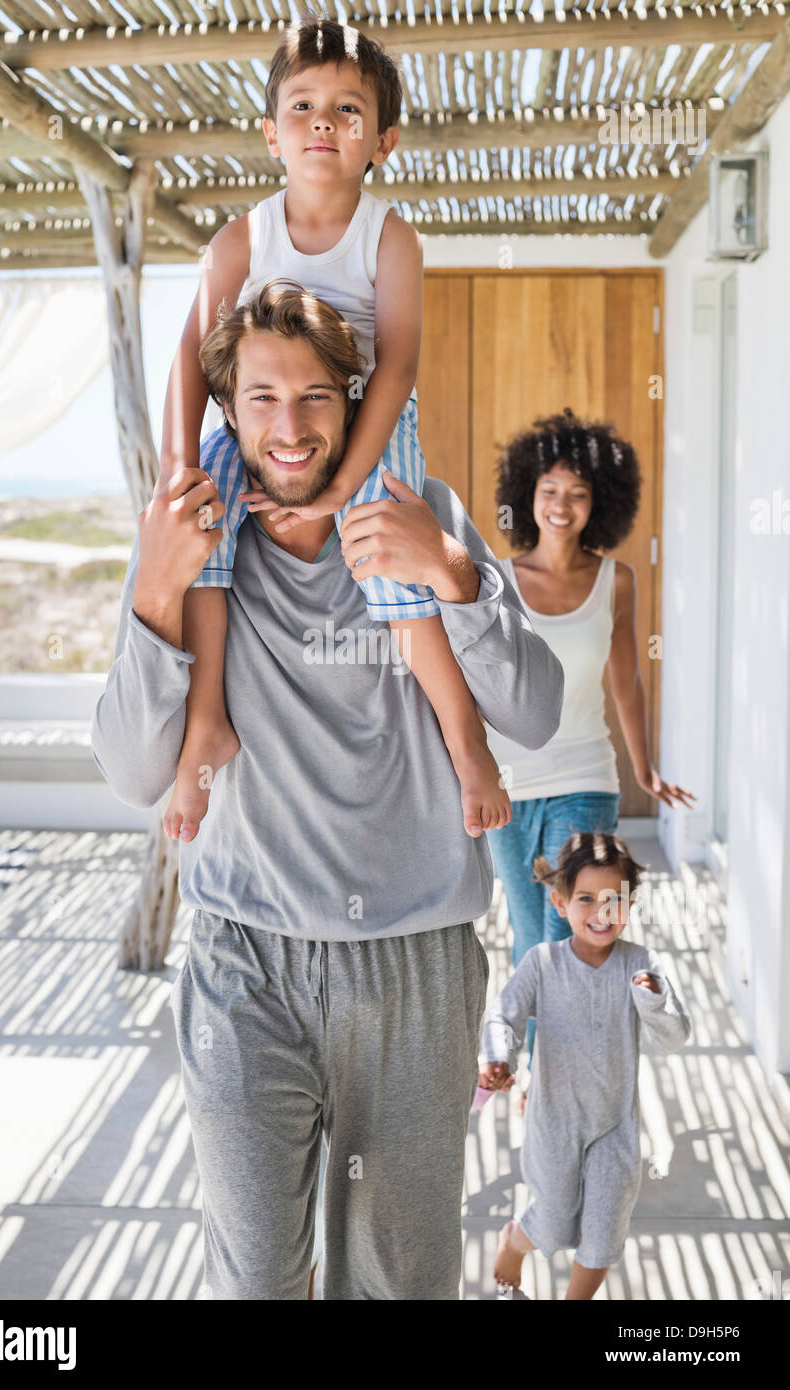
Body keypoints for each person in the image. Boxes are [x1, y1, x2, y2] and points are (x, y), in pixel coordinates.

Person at [90, 282, 564, 1300]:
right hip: (242, 963)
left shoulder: (417, 511)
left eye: (315, 396)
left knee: (396, 1280)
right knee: (256, 1275)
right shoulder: (193, 535)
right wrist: (152, 588)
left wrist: (451, 571)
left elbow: (533, 713)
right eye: (260, 399)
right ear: (228, 411)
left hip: (413, 966)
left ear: (355, 402)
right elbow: (136, 773)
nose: (290, 427)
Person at [157, 15, 511, 844]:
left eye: (347, 110)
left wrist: (348, 487)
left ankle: (465, 740)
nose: (324, 122)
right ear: (272, 134)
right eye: (304, 106)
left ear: (381, 140)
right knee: (205, 538)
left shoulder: (390, 239)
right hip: (262, 418)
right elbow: (188, 355)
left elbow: (395, 365)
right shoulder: (241, 238)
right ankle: (206, 718)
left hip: (364, 417)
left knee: (392, 567)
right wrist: (180, 466)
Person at [483, 408, 695, 1088]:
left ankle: (560, 1079)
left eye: (576, 493)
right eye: (548, 490)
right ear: (527, 496)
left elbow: (624, 679)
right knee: (528, 934)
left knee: (575, 933)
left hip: (584, 776)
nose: (561, 505)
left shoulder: (617, 581)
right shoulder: (496, 582)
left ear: (598, 503)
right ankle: (533, 1068)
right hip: (510, 786)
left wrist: (644, 766)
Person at [478, 832, 691, 1300]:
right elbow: (503, 1015)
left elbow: (674, 1037)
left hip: (615, 1127)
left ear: (630, 904)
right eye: (587, 898)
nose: (602, 912)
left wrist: (654, 1001)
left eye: (615, 899)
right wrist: (498, 1057)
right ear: (559, 903)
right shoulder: (543, 963)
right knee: (551, 1221)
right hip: (554, 1121)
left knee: (604, 1230)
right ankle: (516, 1239)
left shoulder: (640, 964)